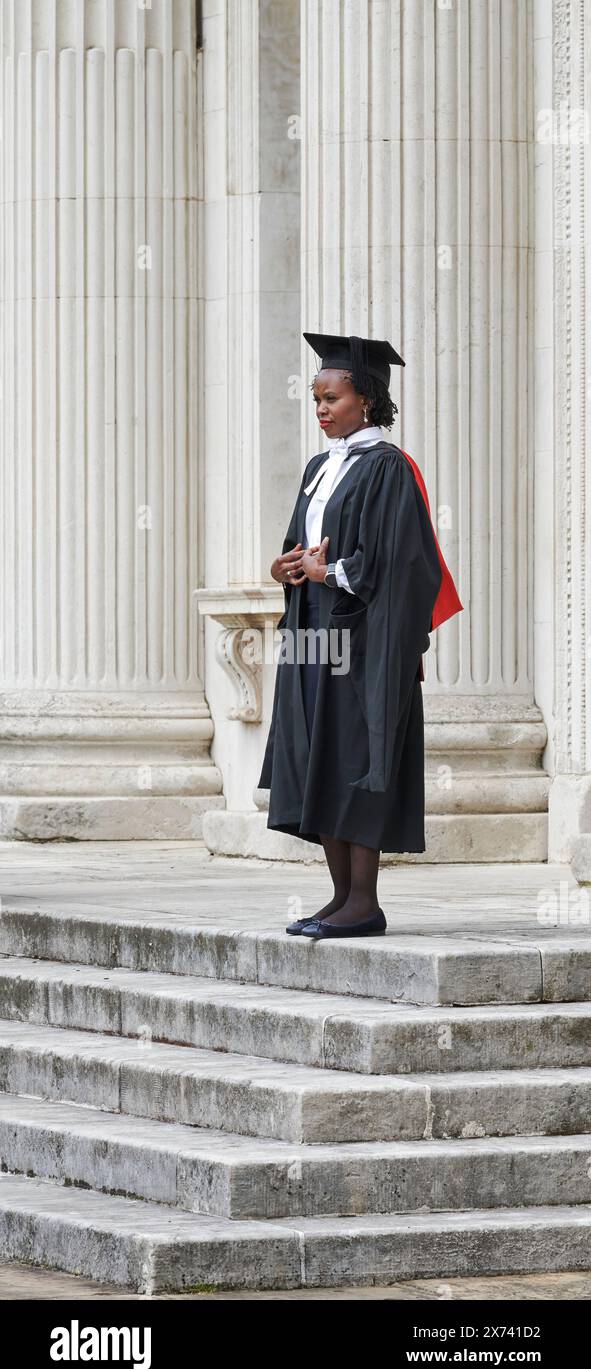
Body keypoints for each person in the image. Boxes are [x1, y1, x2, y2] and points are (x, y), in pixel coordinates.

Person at [257, 332, 462, 940]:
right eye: (316, 398)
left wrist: (333, 572)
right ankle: (340, 896)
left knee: (354, 754)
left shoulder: (388, 469)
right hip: (313, 630)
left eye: (333, 397)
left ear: (366, 400)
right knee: (317, 751)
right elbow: (301, 543)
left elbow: (401, 561)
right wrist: (287, 567)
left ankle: (365, 902)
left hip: (363, 640)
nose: (321, 408)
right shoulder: (320, 468)